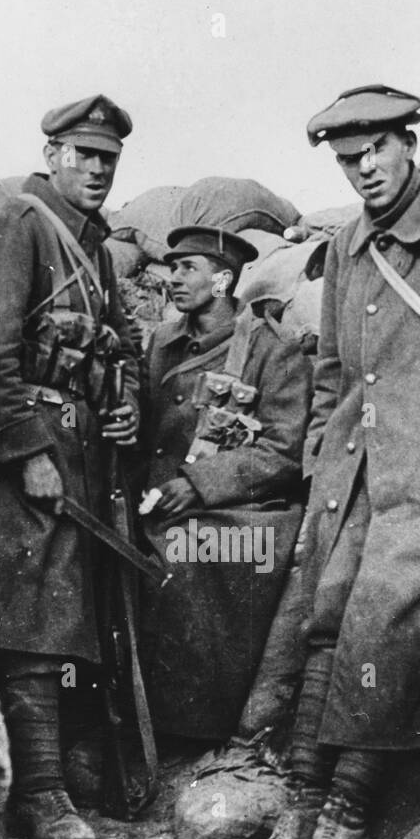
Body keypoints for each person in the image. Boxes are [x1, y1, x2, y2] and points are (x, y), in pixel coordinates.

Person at [239, 84, 420, 839]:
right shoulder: (352, 241)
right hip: (355, 473)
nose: (363, 171)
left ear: (404, 143)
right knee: (325, 623)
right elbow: (332, 372)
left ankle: (347, 813)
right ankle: (298, 805)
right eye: (347, 160)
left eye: (375, 153)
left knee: (381, 625)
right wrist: (326, 454)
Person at [0, 94, 139, 839]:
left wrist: (127, 409)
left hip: (82, 453)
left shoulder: (94, 247)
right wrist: (27, 453)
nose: (97, 169)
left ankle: (60, 771)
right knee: (32, 622)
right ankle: (39, 793)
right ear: (53, 152)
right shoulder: (18, 223)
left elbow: (115, 349)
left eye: (109, 159)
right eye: (85, 155)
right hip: (25, 454)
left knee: (67, 612)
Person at [139, 225, 312, 741]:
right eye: (171, 267)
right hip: (158, 499)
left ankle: (197, 729)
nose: (174, 278)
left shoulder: (269, 349)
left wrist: (198, 484)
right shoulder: (163, 342)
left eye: (188, 267)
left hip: (239, 506)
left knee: (193, 558)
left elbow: (284, 448)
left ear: (223, 281)